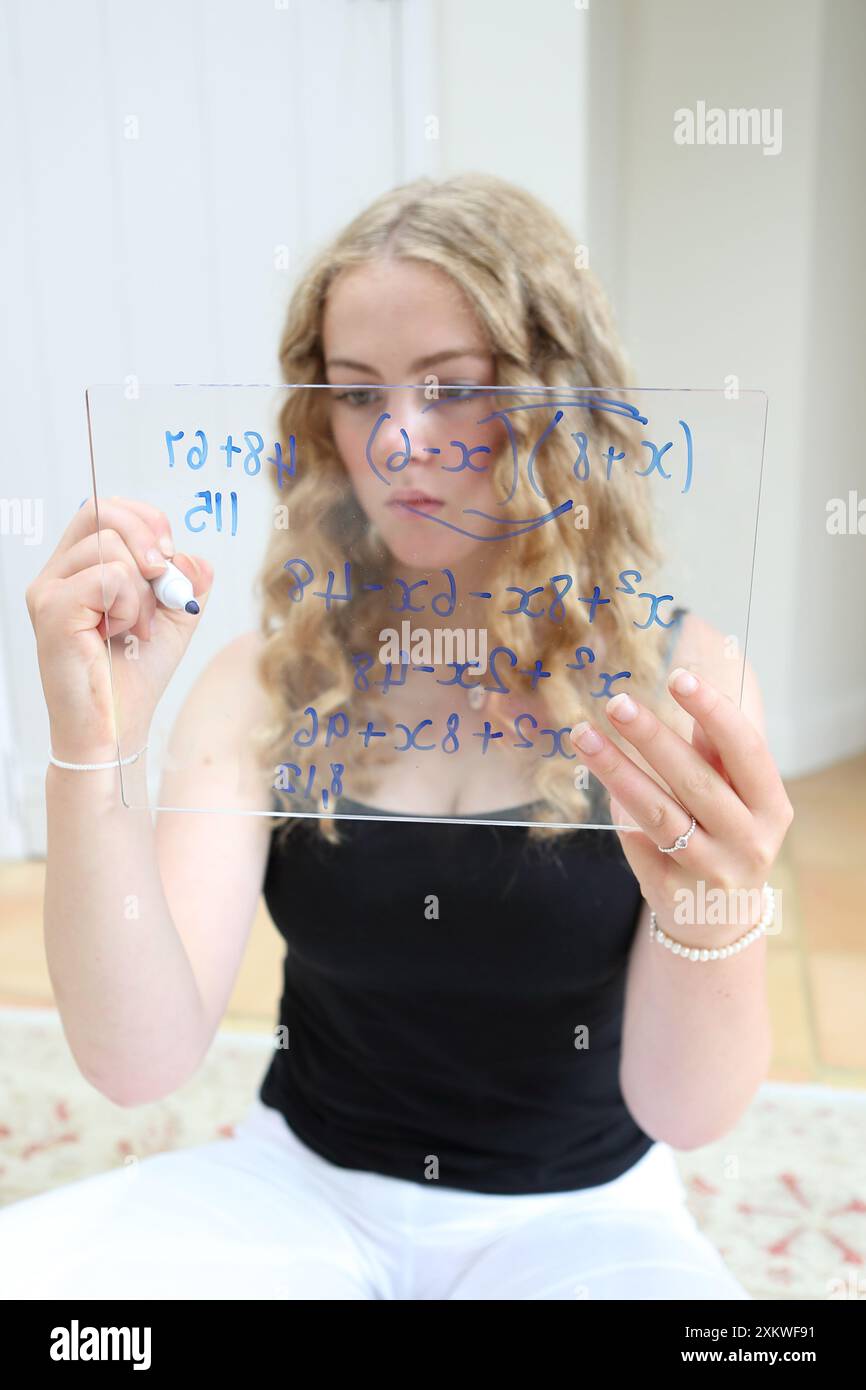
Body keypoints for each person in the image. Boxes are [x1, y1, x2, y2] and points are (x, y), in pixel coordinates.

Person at [7, 172, 792, 1300]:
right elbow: (140, 1061)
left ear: (550, 398)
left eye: (449, 389)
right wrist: (93, 748)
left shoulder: (684, 684)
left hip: (582, 1218)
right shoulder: (260, 682)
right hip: (300, 1190)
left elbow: (687, 1112)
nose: (394, 442)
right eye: (357, 393)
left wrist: (713, 910)